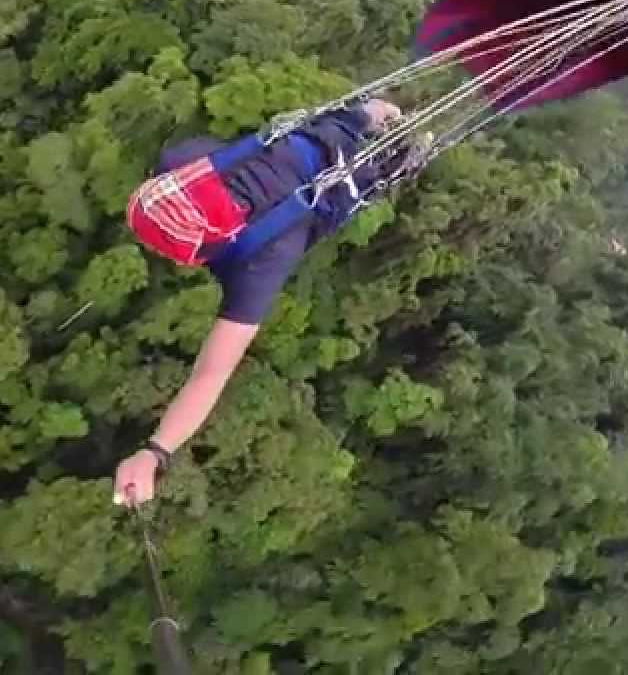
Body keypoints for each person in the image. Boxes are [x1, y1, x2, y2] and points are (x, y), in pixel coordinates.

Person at [113, 98, 426, 506]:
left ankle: (400, 154)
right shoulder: (185, 159)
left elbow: (210, 375)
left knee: (368, 178)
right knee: (367, 116)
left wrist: (156, 452)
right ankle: (378, 114)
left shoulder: (256, 267)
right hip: (327, 134)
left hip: (344, 184)